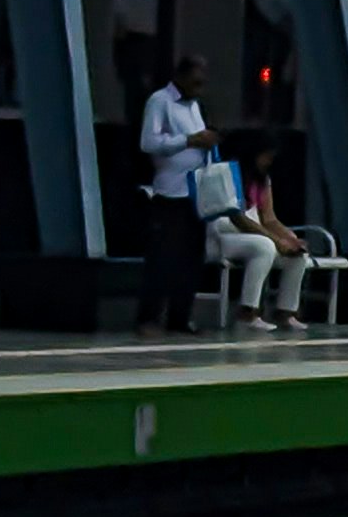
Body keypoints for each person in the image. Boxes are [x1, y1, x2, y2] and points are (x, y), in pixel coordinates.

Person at [134, 51, 212, 338]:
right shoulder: (161, 102)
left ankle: (181, 316)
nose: (198, 88)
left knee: (191, 260)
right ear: (180, 77)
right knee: (162, 257)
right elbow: (149, 142)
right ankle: (148, 316)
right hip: (170, 192)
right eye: (194, 82)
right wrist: (189, 140)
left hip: (195, 193)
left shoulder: (194, 106)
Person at [208, 138, 317, 330]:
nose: (268, 161)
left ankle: (286, 311)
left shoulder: (263, 180)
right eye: (265, 157)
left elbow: (269, 219)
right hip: (223, 235)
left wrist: (290, 239)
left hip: (252, 234)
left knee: (297, 255)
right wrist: (276, 240)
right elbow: (238, 219)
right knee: (264, 246)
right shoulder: (228, 175)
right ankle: (247, 312)